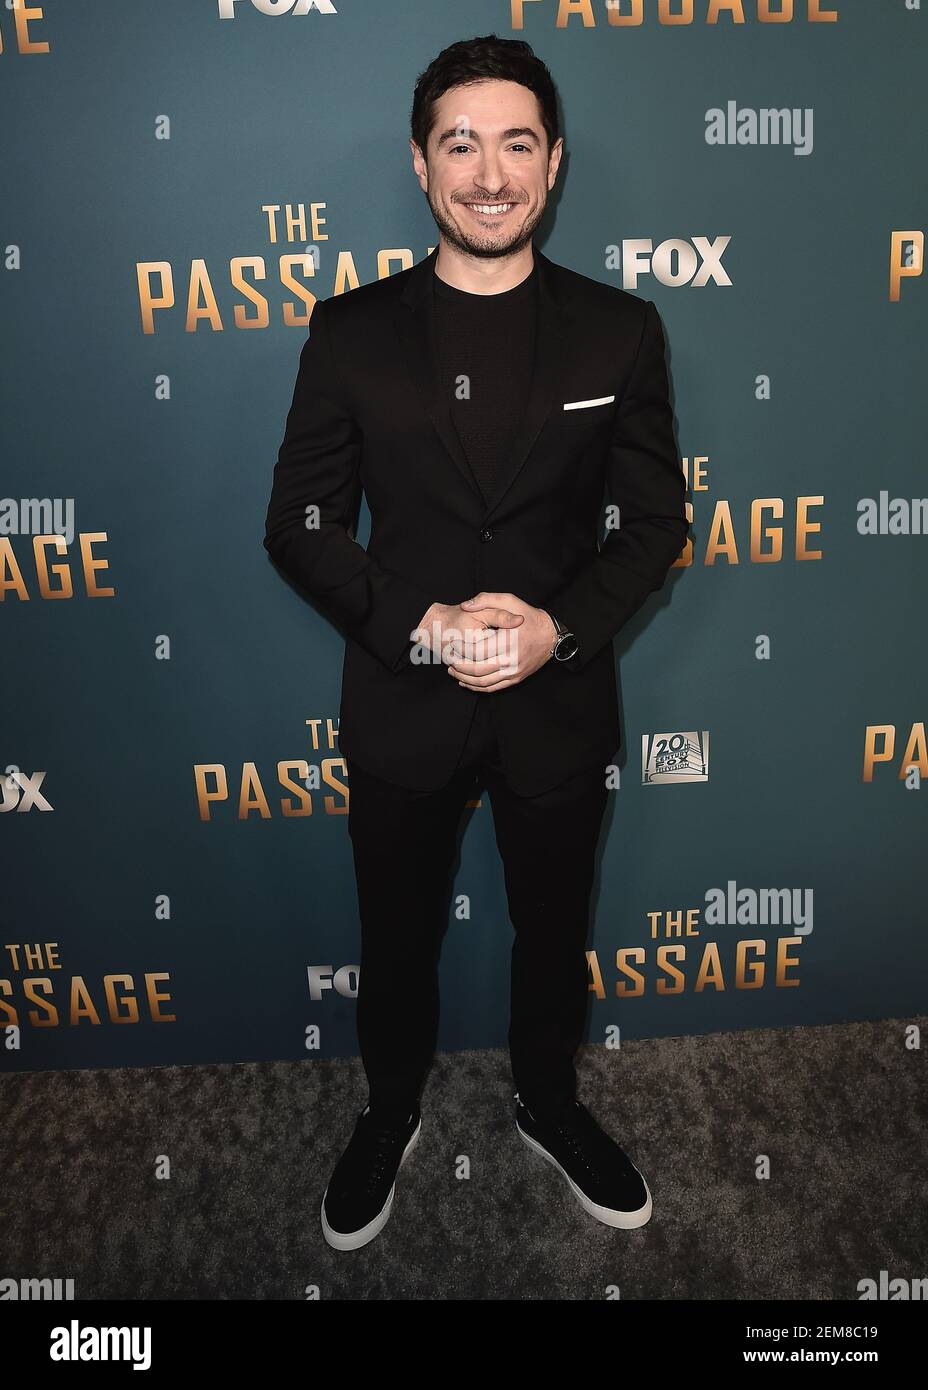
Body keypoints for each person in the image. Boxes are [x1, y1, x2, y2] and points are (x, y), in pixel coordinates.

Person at [263, 34, 689, 1252]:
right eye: (461, 142)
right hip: (404, 702)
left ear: (552, 166)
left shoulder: (621, 332)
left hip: (556, 705)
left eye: (515, 144)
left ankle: (550, 1102)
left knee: (555, 928)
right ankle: (387, 1106)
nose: (487, 173)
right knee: (392, 931)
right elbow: (296, 525)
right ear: (420, 163)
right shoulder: (349, 333)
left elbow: (656, 521)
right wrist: (425, 624)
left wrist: (556, 627)